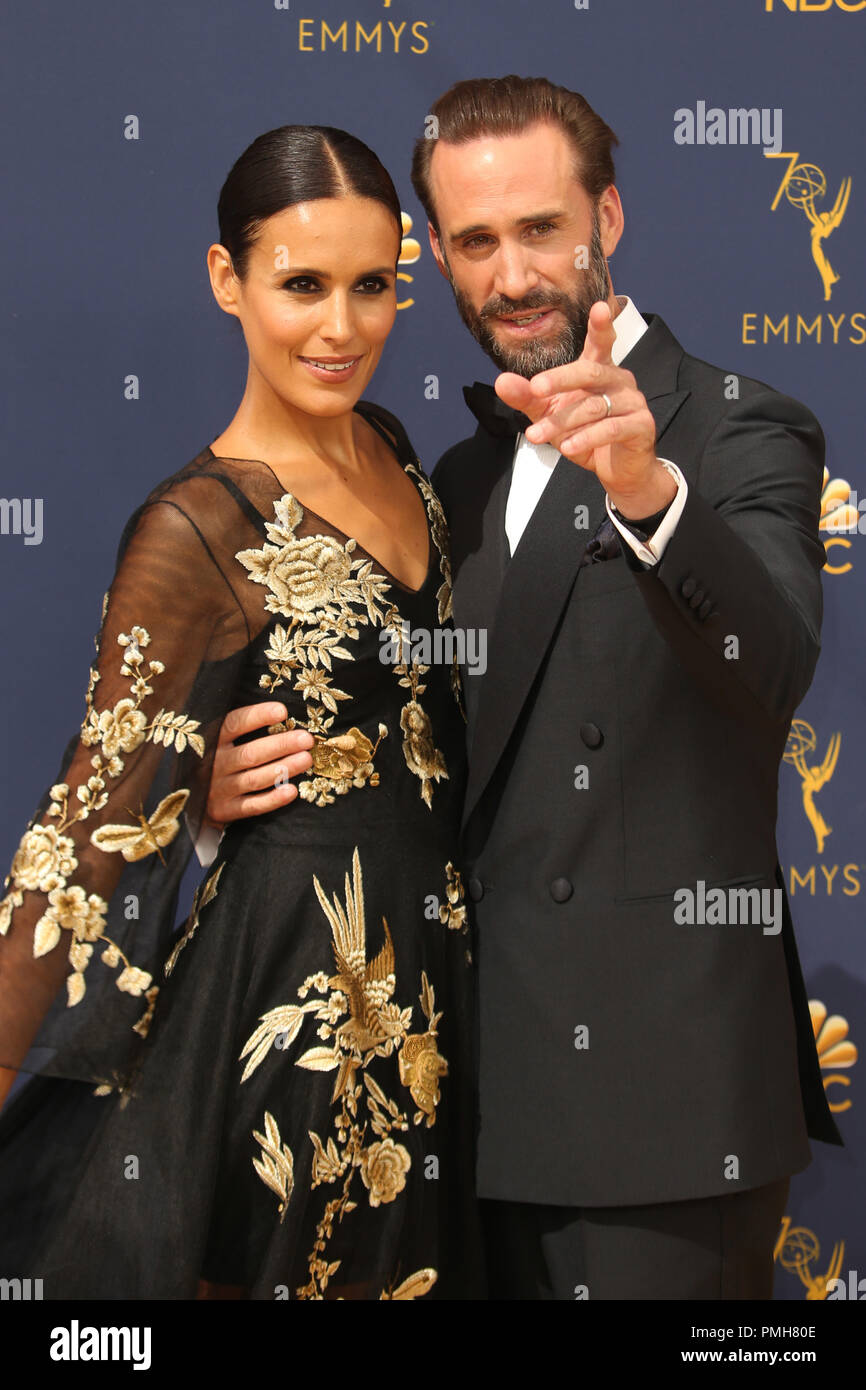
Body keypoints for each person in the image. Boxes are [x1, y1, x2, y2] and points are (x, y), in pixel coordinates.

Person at [203, 77, 842, 1300]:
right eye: (476, 242)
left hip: (657, 1127)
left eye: (541, 230)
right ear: (433, 251)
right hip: (455, 1109)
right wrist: (237, 781)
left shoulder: (738, 430)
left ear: (609, 217)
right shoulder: (449, 472)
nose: (512, 278)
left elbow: (770, 660)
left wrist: (649, 490)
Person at [0, 124, 483, 1300]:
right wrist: (181, 795)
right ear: (229, 280)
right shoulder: (194, 527)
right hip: (299, 1017)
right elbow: (76, 851)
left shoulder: (397, 448)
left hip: (439, 989)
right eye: (301, 285)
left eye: (372, 287)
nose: (341, 327)